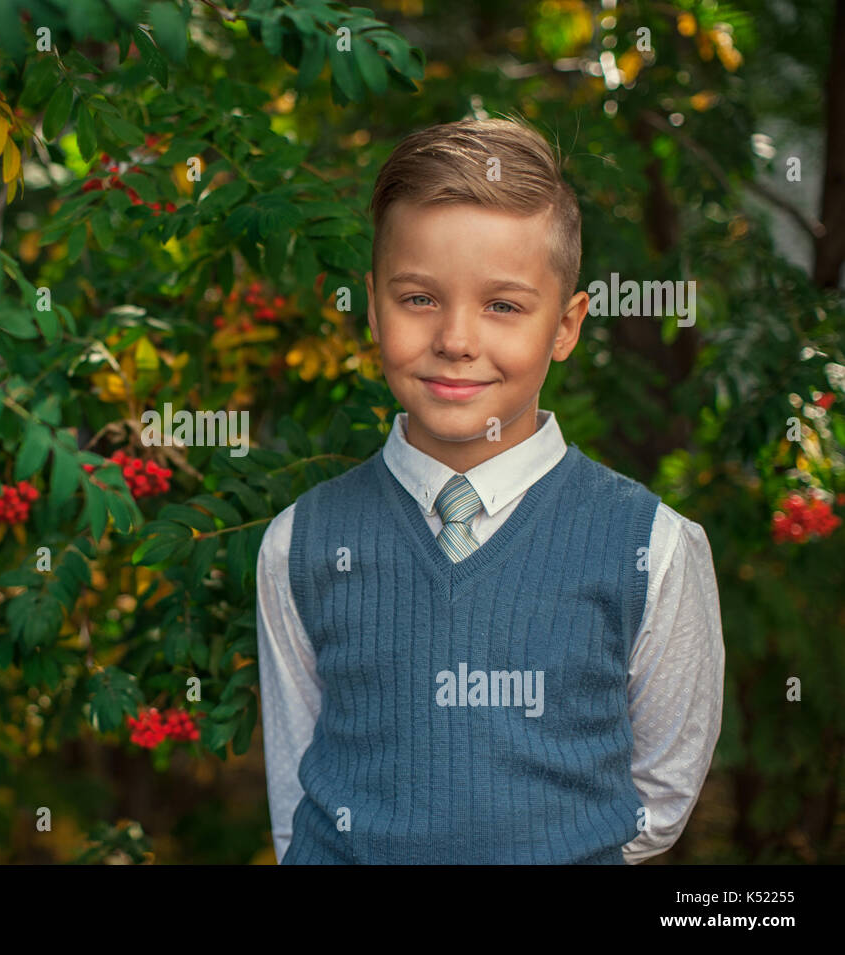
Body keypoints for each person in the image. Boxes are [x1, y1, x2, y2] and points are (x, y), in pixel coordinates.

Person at [255, 117, 725, 864]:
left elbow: (655, 801)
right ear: (373, 304)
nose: (457, 339)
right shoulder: (301, 542)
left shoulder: (653, 547)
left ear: (566, 325)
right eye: (419, 299)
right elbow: (296, 792)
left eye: (503, 305)